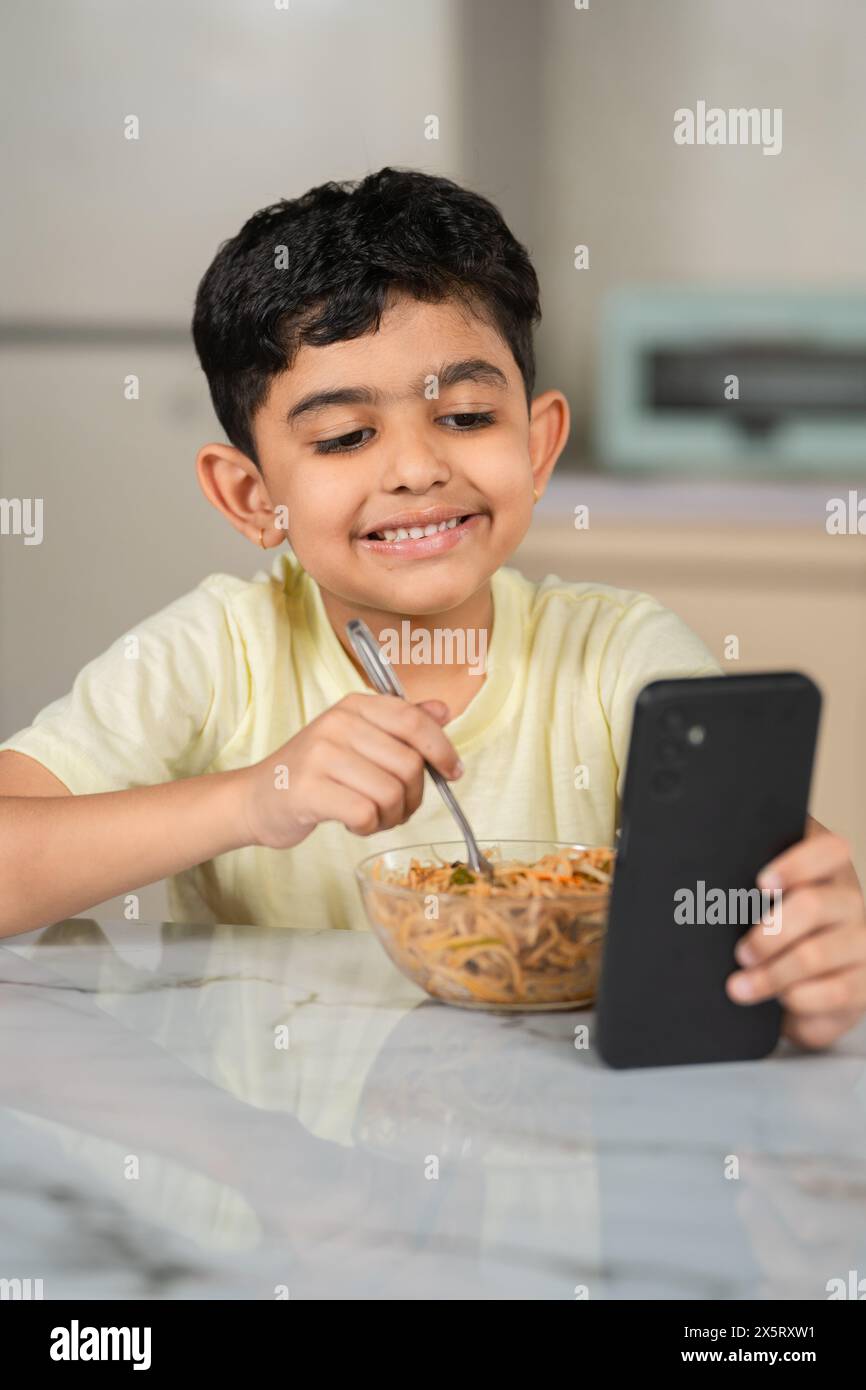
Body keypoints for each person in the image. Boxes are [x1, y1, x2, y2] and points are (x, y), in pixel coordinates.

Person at [1, 168, 863, 1049]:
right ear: (254, 498)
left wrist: (811, 945)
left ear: (536, 446)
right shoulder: (218, 651)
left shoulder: (617, 654)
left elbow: (765, 878)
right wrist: (258, 800)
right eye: (344, 437)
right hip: (273, 1166)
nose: (416, 470)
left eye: (464, 415)